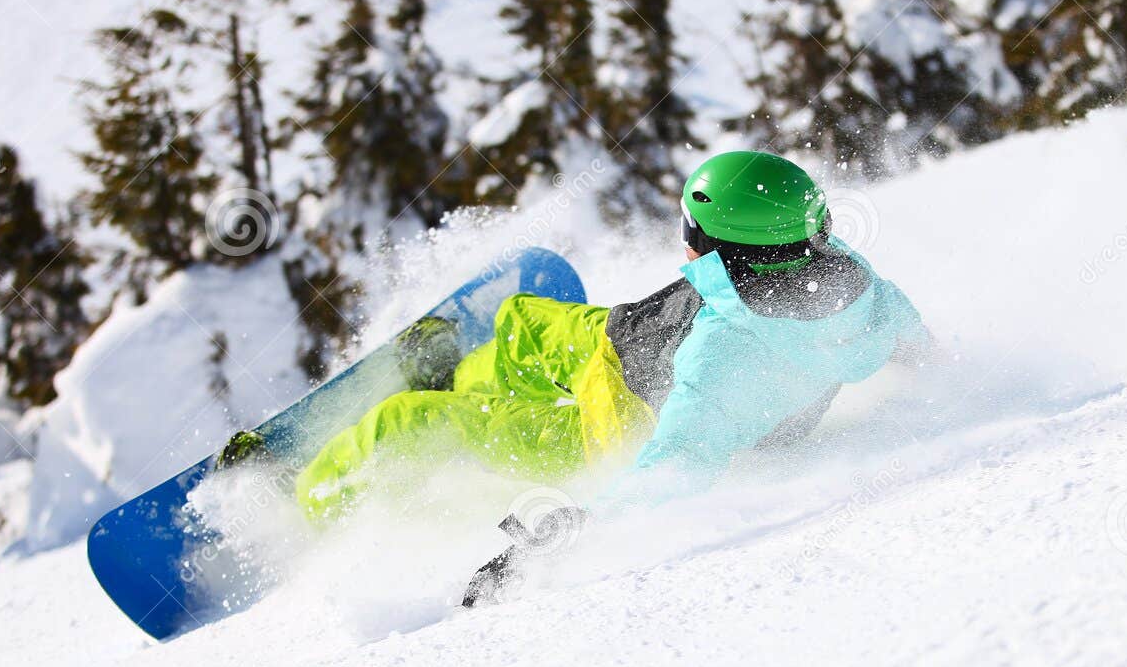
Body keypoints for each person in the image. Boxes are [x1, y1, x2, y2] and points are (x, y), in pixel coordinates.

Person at [294, 150, 929, 519]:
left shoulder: (723, 356)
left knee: (411, 420)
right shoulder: (853, 284)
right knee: (519, 321)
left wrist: (572, 532)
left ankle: (306, 502)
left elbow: (676, 465)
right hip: (624, 340)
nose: (682, 239)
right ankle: (464, 374)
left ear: (715, 242)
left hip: (611, 420)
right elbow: (915, 343)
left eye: (689, 228)